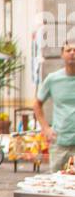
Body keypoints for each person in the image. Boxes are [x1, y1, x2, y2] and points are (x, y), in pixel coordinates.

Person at [34, 43, 75, 173]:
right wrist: (45, 128)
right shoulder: (53, 79)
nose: (72, 53)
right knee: (57, 182)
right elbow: (37, 104)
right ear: (62, 54)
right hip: (60, 141)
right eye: (69, 50)